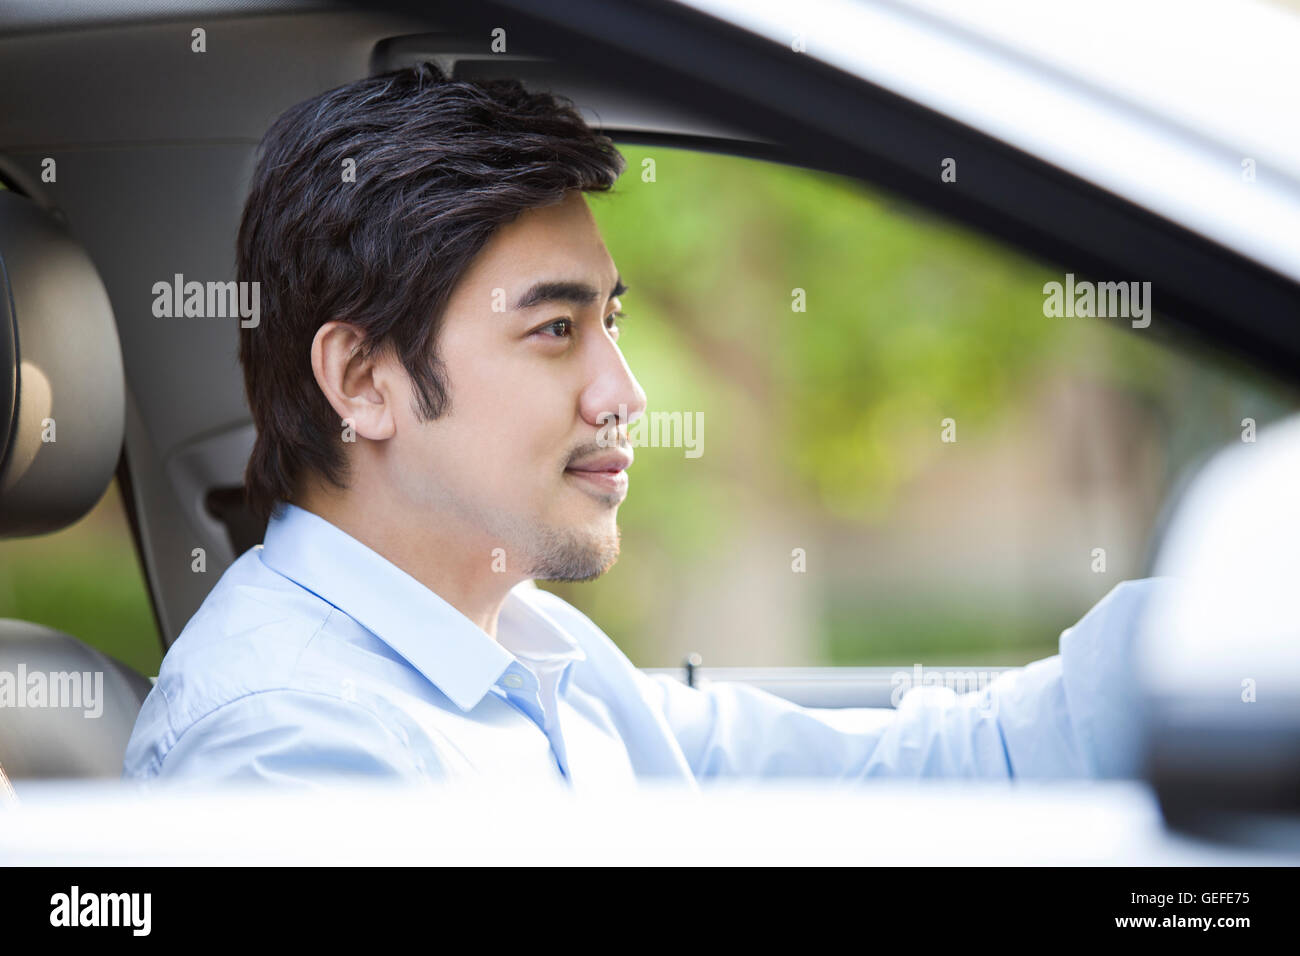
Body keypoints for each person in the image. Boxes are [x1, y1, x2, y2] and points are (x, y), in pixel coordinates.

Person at [123, 64, 1159, 791]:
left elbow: (889, 775)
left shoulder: (531, 644)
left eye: (608, 320)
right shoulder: (282, 747)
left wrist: (1187, 645)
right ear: (362, 379)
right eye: (555, 326)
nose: (624, 391)